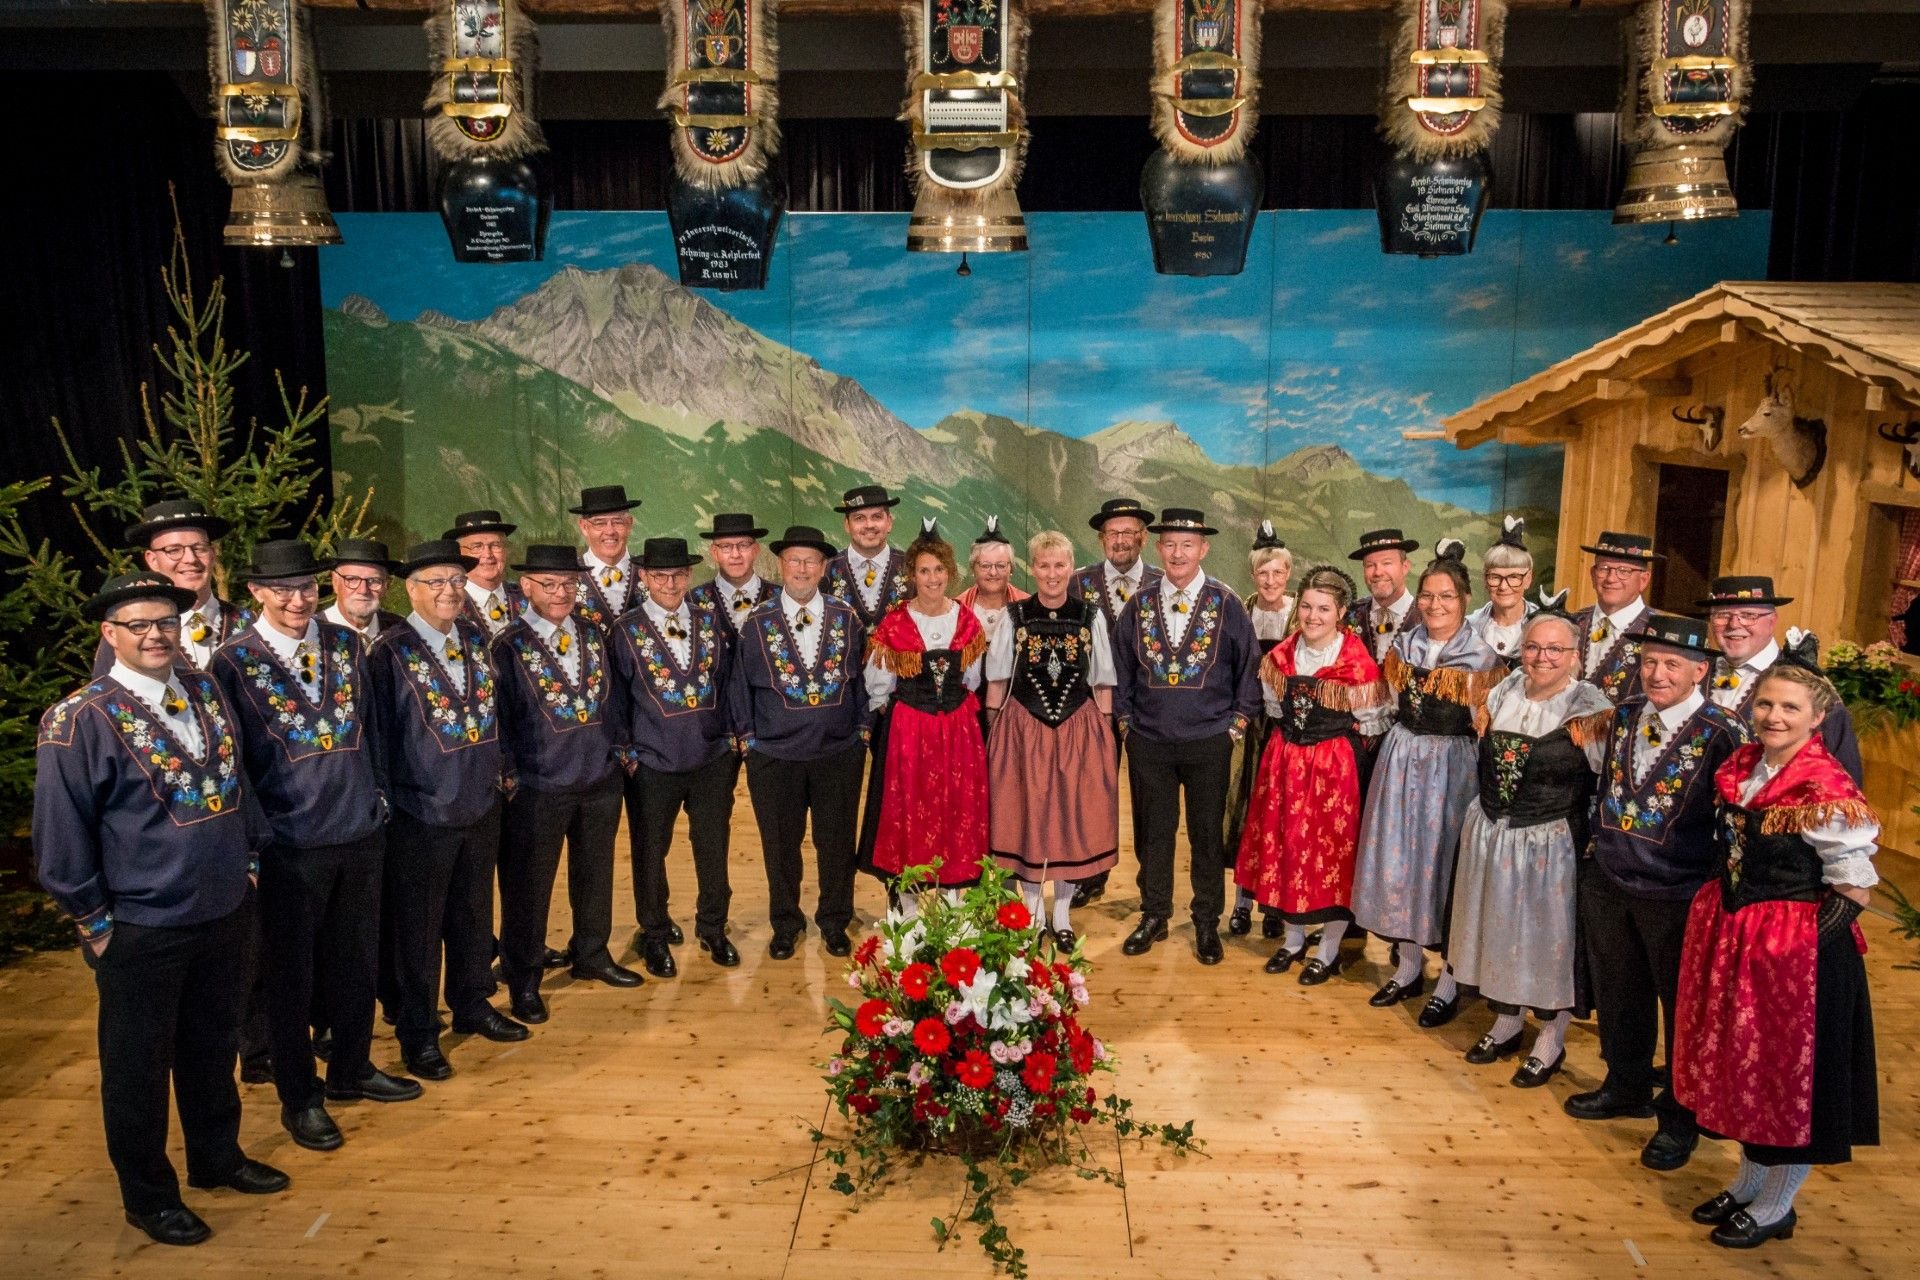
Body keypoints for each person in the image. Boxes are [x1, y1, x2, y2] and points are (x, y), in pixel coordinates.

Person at [35, 572, 289, 1247]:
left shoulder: (204, 689)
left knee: (212, 1046)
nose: (155, 634)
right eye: (139, 625)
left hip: (226, 906)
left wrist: (252, 859)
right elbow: (61, 836)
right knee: (138, 1067)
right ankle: (148, 1197)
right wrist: (93, 922)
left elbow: (239, 780)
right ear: (109, 634)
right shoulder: (78, 718)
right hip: (141, 926)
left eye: (165, 623)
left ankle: (217, 1157)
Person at [211, 541, 420, 1156]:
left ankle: (352, 1068)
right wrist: (254, 840)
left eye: (305, 587)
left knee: (355, 960)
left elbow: (375, 731)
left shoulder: (346, 645)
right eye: (282, 590)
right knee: (290, 979)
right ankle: (300, 1098)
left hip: (358, 831)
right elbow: (235, 764)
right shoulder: (233, 662)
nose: (297, 600)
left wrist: (378, 798)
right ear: (255, 591)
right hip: (288, 846)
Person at [1673, 664, 1881, 1249]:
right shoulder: (1744, 765)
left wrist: (1801, 951)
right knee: (1749, 1071)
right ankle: (1747, 1182)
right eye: (1765, 704)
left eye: (1790, 708)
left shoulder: (1824, 787)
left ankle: (1776, 1204)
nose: (1773, 717)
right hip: (1742, 938)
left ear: (1818, 719)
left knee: (1791, 1082)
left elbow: (1853, 887)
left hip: (1800, 957)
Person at [1565, 613, 1749, 1173]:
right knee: (1620, 993)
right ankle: (1624, 1086)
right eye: (1649, 661)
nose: (1657, 673)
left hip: (1680, 894)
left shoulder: (1725, 733)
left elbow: (1733, 823)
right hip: (1611, 880)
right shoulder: (1621, 715)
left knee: (1683, 1012)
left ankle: (1680, 1118)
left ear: (1701, 670)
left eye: (1672, 664)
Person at [368, 540, 527, 1082]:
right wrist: (391, 803)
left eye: (457, 582)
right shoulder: (389, 652)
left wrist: (501, 771)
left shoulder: (478, 638)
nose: (450, 592)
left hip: (479, 801)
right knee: (418, 929)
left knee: (472, 914)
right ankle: (417, 1031)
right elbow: (380, 739)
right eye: (436, 582)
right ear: (410, 590)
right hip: (421, 812)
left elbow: (496, 713)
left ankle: (473, 1003)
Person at [1440, 606, 1613, 1084]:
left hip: (1549, 840)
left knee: (1545, 939)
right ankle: (1507, 1018)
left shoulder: (1589, 710)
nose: (1542, 657)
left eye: (1555, 649)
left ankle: (1551, 1034)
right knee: (1499, 929)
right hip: (1493, 833)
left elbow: (1605, 783)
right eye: (1534, 647)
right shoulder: (1504, 690)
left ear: (1576, 657)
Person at [1348, 542, 1504, 1005]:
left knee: (1445, 866)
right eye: (1428, 596)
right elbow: (1388, 702)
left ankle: (1451, 979)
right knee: (1403, 864)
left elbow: (1487, 729)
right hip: (1401, 761)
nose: (1435, 605)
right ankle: (1409, 965)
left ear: (1465, 601)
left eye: (1447, 597)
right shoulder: (1406, 644)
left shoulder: (1483, 659)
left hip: (1454, 770)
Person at [491, 545, 641, 1026]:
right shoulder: (508, 645)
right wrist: (510, 773)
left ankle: (592, 953)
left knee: (595, 872)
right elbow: (503, 719)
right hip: (538, 785)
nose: (560, 594)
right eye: (549, 585)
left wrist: (619, 748)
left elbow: (613, 700)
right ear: (527, 588)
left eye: (569, 585)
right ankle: (524, 979)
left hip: (597, 776)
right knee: (529, 889)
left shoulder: (594, 634)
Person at [1112, 508, 1261, 966]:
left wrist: (1235, 725)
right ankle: (1154, 913)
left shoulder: (1227, 603)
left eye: (1187, 544)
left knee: (1205, 837)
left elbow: (1249, 668)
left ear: (1203, 549)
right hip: (1150, 741)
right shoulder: (1137, 605)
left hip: (1209, 740)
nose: (1178, 553)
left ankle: (1205, 921)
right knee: (1153, 834)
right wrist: (1127, 722)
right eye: (1170, 544)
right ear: (1158, 549)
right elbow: (1119, 668)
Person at [1233, 564, 1392, 979]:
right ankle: (1292, 940)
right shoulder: (1280, 658)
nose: (1312, 616)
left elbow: (1370, 725)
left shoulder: (1358, 666)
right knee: (1287, 850)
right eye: (1306, 606)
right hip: (1285, 765)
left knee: (1332, 857)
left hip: (1334, 771)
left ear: (1340, 613)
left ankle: (1330, 947)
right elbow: (1274, 713)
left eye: (1323, 608)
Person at [728, 526, 869, 959]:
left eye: (811, 560)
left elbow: (863, 682)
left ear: (824, 568)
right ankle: (786, 924)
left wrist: (861, 731)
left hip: (837, 753)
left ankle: (834, 922)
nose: (802, 568)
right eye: (794, 559)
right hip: (775, 756)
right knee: (780, 845)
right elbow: (740, 687)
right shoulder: (756, 623)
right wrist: (750, 740)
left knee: (836, 843)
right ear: (780, 565)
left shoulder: (847, 618)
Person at [606, 537, 742, 976]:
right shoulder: (624, 631)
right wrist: (629, 755)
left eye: (678, 574)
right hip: (652, 763)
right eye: (660, 575)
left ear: (689, 577)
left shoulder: (711, 622)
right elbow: (616, 701)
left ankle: (713, 927)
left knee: (713, 846)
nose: (669, 583)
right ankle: (655, 932)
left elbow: (725, 684)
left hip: (709, 759)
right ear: (644, 577)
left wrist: (727, 742)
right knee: (649, 851)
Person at [982, 529, 1119, 950]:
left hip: (1078, 729)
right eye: (1044, 565)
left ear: (1070, 567)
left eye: (1060, 565)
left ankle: (1060, 914)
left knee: (1066, 821)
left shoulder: (1090, 616)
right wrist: (992, 737)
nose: (1052, 573)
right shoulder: (1014, 617)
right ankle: (1031, 913)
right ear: (1033, 568)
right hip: (1024, 730)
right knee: (1026, 818)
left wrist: (1108, 739)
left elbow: (1103, 682)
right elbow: (998, 681)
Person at [857, 519, 990, 894]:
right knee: (911, 808)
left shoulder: (966, 620)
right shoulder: (895, 623)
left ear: (950, 573)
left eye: (939, 570)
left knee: (956, 809)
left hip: (959, 732)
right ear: (912, 575)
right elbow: (878, 688)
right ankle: (907, 901)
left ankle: (954, 897)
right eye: (924, 571)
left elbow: (972, 681)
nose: (932, 578)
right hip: (910, 732)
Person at [1069, 496, 1162, 908]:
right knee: (1090, 793)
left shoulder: (1163, 583)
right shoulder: (1077, 583)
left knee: (1149, 799)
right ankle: (1089, 875)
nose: (1120, 540)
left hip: (1148, 711)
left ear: (1142, 538)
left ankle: (1151, 883)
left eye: (1128, 532)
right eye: (1113, 533)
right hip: (1091, 709)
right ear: (1101, 538)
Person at [1700, 575, 1862, 783]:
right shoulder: (1695, 672)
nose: (1734, 624)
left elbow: (1845, 781)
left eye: (1748, 615)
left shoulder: (1809, 687)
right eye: (1722, 615)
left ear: (1773, 620)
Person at [91, 498, 256, 678]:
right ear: (152, 560)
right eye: (174, 550)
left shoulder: (251, 623)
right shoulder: (128, 635)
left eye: (199, 548)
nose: (190, 559)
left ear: (213, 553)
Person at [1227, 522, 1295, 938]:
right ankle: (1240, 902)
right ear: (1253, 575)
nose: (1270, 581)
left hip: (1286, 728)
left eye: (1278, 572)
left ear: (1288, 574)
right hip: (1247, 726)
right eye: (1263, 573)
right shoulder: (1241, 610)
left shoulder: (1301, 613)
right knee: (1241, 809)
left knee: (1278, 813)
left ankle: (1273, 905)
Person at [1571, 530, 1658, 704]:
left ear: (1644, 579)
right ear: (1593, 575)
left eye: (1624, 571)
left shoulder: (1658, 632)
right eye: (1604, 569)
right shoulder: (1570, 623)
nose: (1611, 578)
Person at [823, 484, 910, 628]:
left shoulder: (912, 567)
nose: (869, 525)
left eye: (877, 517)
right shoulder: (826, 569)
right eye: (859, 518)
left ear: (889, 523)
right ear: (847, 525)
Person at [688, 512, 778, 637]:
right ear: (714, 552)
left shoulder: (779, 597)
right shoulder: (692, 601)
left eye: (743, 545)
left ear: (756, 550)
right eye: (726, 546)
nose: (735, 555)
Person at [1465, 516, 1536, 668]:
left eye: (1514, 577)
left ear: (1528, 579)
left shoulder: (1543, 624)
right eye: (1495, 577)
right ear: (1485, 580)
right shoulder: (1469, 627)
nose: (1503, 586)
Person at [571, 484, 644, 632]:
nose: (610, 531)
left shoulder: (653, 574)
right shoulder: (567, 577)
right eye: (600, 523)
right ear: (584, 527)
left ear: (629, 524)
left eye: (617, 522)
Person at [446, 509, 525, 638]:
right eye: (477, 547)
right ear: (460, 553)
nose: (488, 555)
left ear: (505, 551)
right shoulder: (447, 603)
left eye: (496, 545)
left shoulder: (528, 598)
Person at [1343, 528, 1418, 662]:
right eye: (1370, 565)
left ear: (1405, 567)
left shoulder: (1427, 617)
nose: (1378, 572)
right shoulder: (1349, 614)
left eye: (1387, 563)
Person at [958, 516, 1030, 643]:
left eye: (1000, 566)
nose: (993, 572)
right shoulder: (956, 609)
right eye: (985, 566)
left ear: (1011, 569)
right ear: (973, 569)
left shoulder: (1029, 607)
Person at [320, 538, 405, 641]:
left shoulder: (401, 631)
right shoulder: (310, 632)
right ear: (335, 582)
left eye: (373, 581)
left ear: (386, 586)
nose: (363, 590)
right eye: (352, 579)